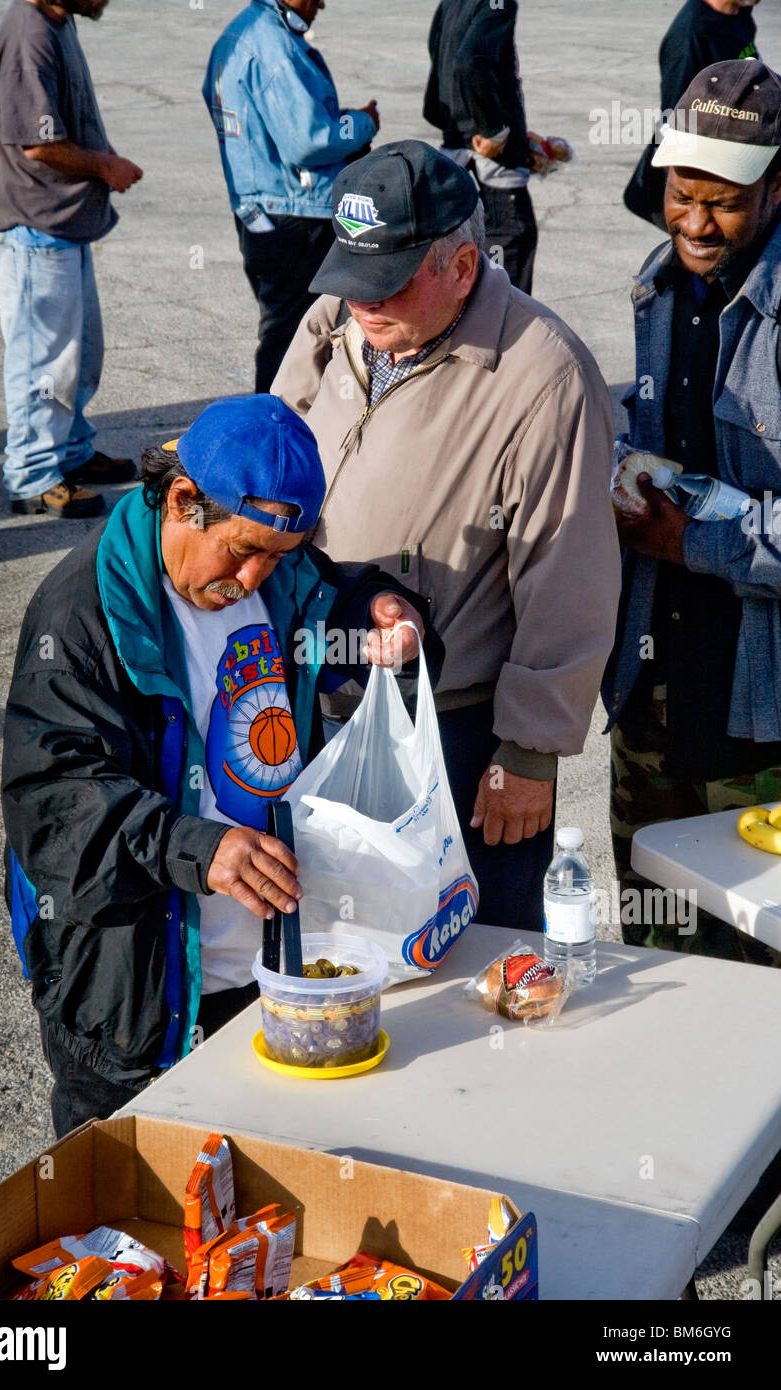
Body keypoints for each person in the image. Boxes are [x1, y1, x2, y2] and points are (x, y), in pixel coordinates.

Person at [1, 394, 438, 1137]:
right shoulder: (82, 615)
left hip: (270, 977)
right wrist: (195, 848)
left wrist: (386, 614)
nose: (255, 577)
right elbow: (52, 802)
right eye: (241, 550)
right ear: (182, 501)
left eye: (279, 555)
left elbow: (336, 595)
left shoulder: (279, 582)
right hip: (134, 995)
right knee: (128, 1230)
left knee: (261, 1228)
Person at [272, 141, 620, 934]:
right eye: (349, 276)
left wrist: (529, 754)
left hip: (451, 734)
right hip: (310, 695)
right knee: (334, 949)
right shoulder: (340, 321)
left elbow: (572, 577)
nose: (361, 303)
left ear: (462, 268)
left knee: (470, 964)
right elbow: (279, 447)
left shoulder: (545, 375)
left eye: (385, 282)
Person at [603, 60, 781, 967]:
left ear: (779, 185)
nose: (696, 223)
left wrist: (694, 540)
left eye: (726, 203)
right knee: (655, 961)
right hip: (652, 690)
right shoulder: (660, 280)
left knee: (755, 976)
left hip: (760, 715)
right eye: (682, 191)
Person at [0, 0, 143, 520]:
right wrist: (107, 166)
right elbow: (37, 143)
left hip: (64, 223)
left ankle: (70, 454)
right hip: (35, 226)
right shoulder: (30, 33)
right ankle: (33, 475)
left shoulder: (58, 19)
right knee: (43, 361)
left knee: (80, 354)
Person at [203, 0, 379, 392]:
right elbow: (309, 141)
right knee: (296, 336)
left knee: (288, 328)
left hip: (262, 207)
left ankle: (283, 430)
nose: (321, 4)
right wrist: (363, 123)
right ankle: (278, 436)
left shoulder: (244, 32)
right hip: (293, 215)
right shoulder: (272, 43)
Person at [423, 0, 537, 293]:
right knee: (504, 292)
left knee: (466, 282)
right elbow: (470, 61)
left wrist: (517, 137)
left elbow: (439, 63)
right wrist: (493, 131)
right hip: (493, 180)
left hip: (457, 166)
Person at [624, 0, 760, 227]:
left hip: (736, 159)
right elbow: (677, 121)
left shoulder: (739, 13)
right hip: (702, 176)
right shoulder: (690, 37)